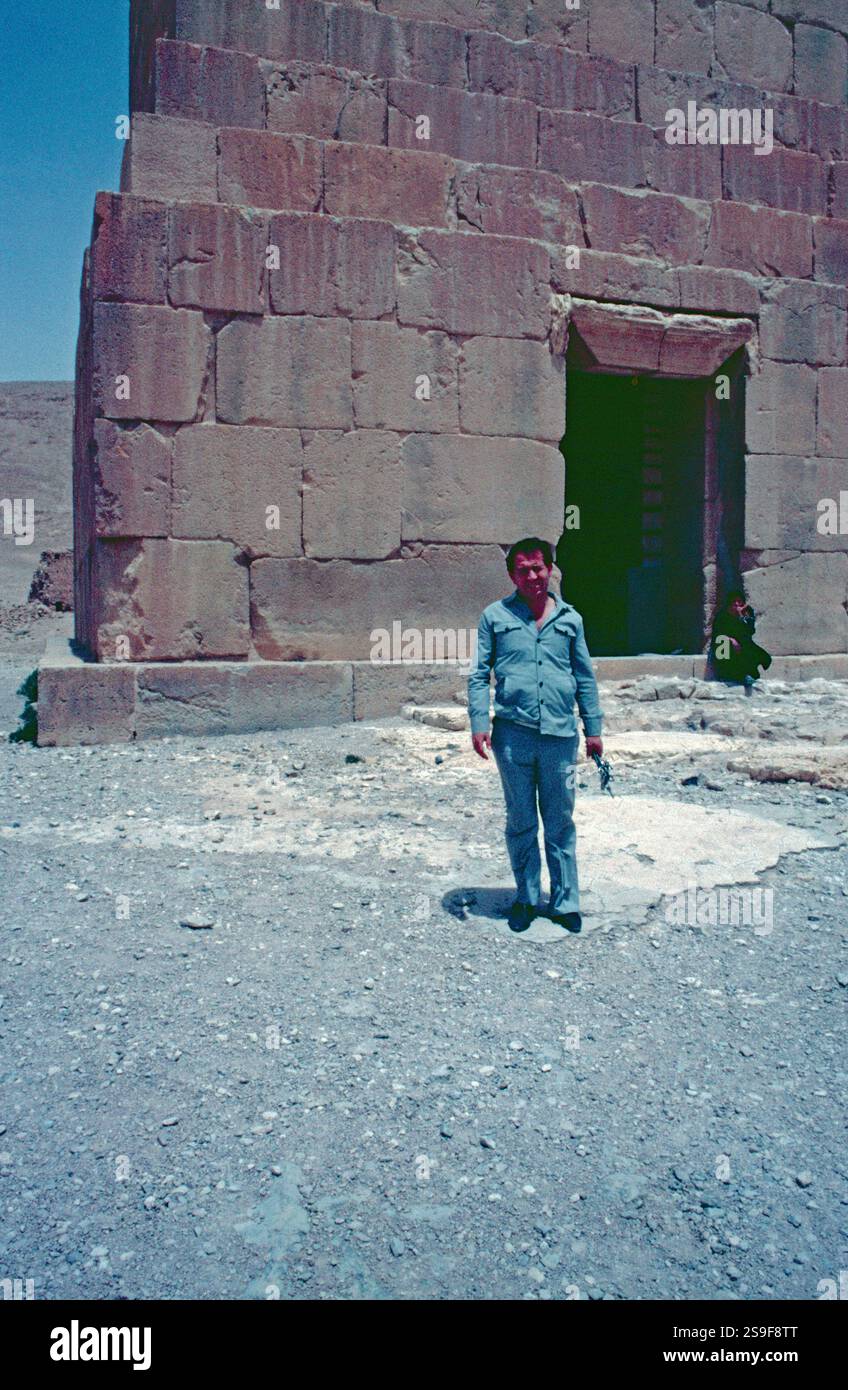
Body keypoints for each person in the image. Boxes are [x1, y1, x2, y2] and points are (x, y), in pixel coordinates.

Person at [467, 537, 604, 934]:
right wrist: (479, 722)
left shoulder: (570, 620)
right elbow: (479, 675)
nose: (532, 576)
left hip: (561, 737)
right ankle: (526, 898)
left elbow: (584, 678)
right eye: (523, 569)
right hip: (513, 737)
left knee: (560, 822)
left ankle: (565, 902)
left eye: (538, 568)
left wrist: (592, 729)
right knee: (522, 820)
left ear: (550, 570)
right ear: (512, 575)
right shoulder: (494, 617)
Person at [710, 590, 772, 689]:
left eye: (739, 601)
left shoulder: (746, 613)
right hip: (723, 647)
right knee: (724, 644)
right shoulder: (722, 616)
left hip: (740, 645)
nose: (737, 604)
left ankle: (747, 675)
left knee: (750, 648)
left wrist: (742, 617)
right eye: (734, 601)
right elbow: (718, 635)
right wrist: (731, 640)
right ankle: (727, 674)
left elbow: (750, 631)